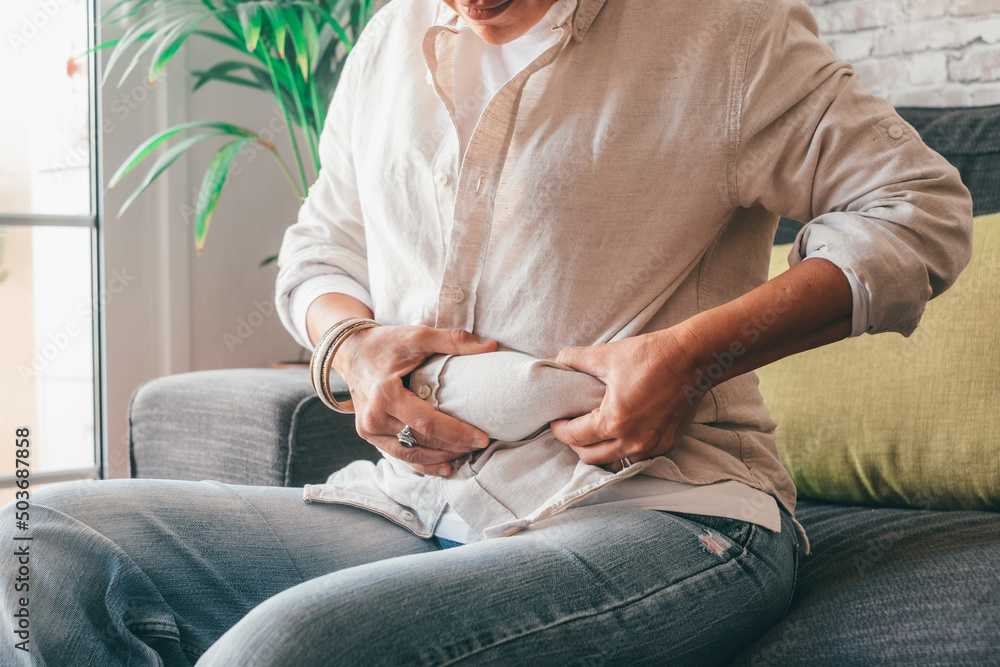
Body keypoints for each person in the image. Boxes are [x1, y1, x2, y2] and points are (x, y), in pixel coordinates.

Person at [1, 0, 972, 664]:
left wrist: (691, 355)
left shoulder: (718, 32)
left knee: (289, 650)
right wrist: (348, 347)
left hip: (667, 514)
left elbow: (917, 211)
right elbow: (318, 252)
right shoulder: (391, 38)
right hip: (410, 509)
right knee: (33, 546)